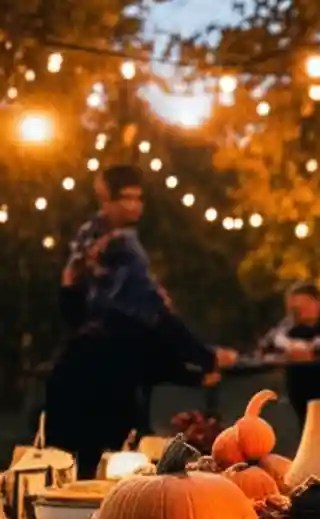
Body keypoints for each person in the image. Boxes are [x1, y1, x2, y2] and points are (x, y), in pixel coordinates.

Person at [44, 165, 235, 477]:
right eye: (124, 198)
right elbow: (154, 315)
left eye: (138, 198)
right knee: (117, 469)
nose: (134, 205)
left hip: (82, 367)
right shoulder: (121, 246)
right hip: (106, 375)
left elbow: (77, 308)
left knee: (78, 470)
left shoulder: (86, 242)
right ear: (105, 198)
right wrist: (206, 357)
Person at [257, 282, 320, 423]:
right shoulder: (286, 331)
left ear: (319, 303)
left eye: (306, 305)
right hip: (298, 396)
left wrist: (313, 355)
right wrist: (285, 354)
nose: (301, 311)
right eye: (296, 308)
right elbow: (265, 349)